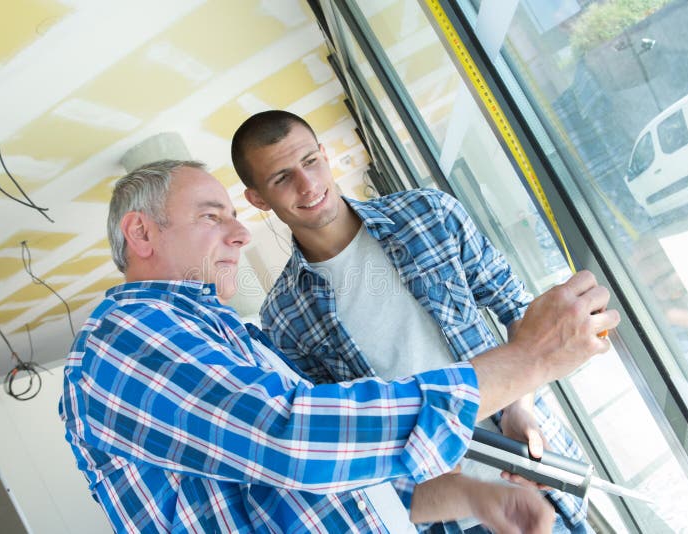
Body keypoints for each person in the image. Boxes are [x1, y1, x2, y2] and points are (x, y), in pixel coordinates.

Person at [60, 159, 618, 533]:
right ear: (141, 233)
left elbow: (338, 477)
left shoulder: (232, 339)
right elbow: (294, 437)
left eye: (234, 215)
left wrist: (473, 498)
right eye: (211, 216)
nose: (240, 233)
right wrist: (528, 359)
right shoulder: (122, 339)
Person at [233, 110, 600, 533]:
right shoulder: (283, 317)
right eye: (282, 178)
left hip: (531, 467)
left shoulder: (428, 214)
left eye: (311, 162)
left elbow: (517, 310)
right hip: (448, 516)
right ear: (258, 198)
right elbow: (344, 444)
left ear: (325, 155)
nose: (308, 185)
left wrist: (521, 406)